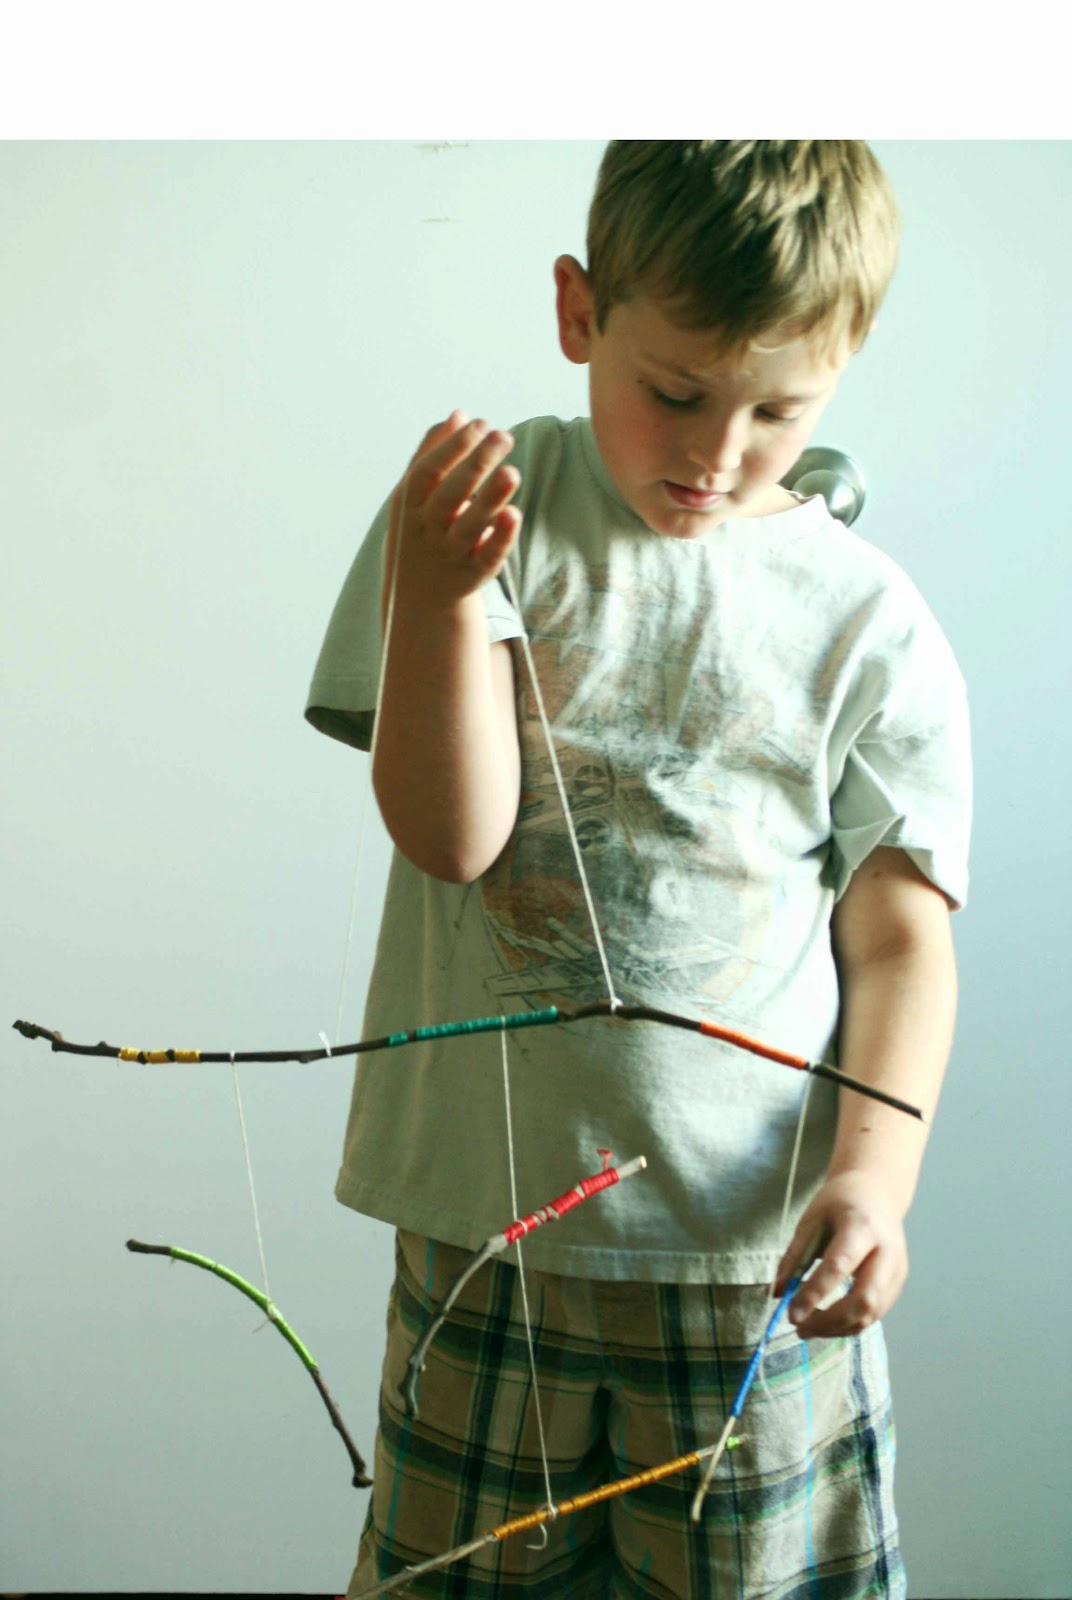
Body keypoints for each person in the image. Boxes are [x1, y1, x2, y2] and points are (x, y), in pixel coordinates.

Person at [306, 141, 971, 1599]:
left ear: (843, 366)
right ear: (579, 312)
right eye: (675, 393)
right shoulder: (480, 513)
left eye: (779, 412)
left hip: (750, 1261)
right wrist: (443, 593)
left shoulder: (870, 621)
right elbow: (452, 837)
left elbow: (901, 943)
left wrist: (875, 1181)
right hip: (491, 1236)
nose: (716, 454)